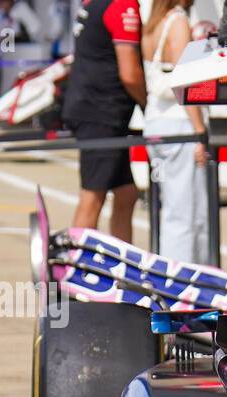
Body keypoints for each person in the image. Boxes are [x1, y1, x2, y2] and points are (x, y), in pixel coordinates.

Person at [62, 0, 146, 241]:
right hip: (100, 112)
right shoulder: (122, 5)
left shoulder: (94, 2)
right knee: (92, 198)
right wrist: (148, 105)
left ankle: (121, 264)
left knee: (127, 193)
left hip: (100, 110)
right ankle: (74, 269)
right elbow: (129, 73)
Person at [141, 0, 208, 263]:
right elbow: (186, 83)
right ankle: (183, 281)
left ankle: (178, 276)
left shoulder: (154, 22)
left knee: (173, 208)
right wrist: (200, 131)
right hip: (180, 124)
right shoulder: (178, 21)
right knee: (186, 213)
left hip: (156, 120)